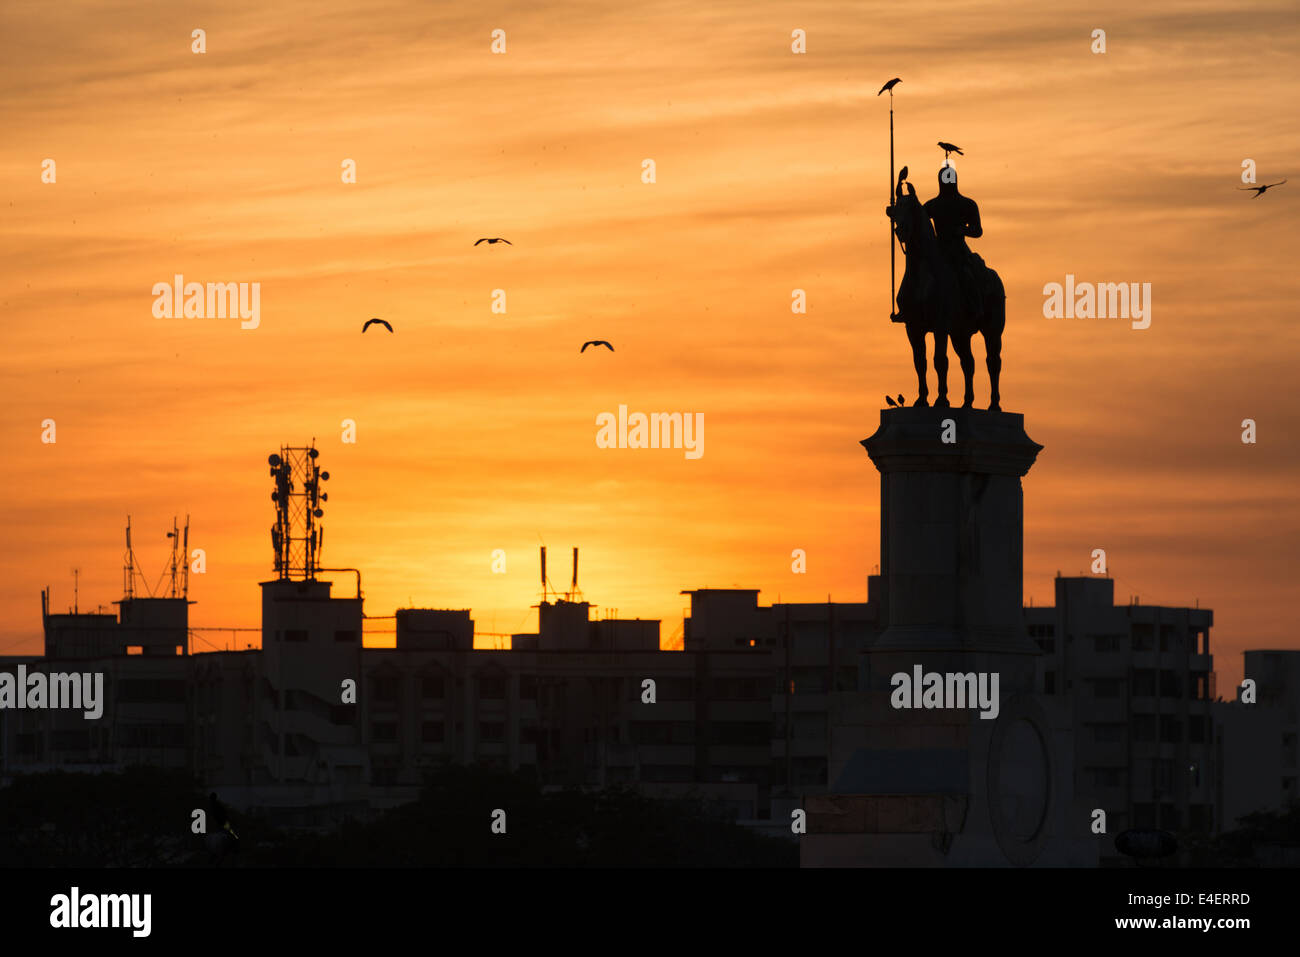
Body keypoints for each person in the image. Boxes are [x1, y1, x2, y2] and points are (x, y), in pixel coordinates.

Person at [924, 165, 987, 320]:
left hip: (959, 250)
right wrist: (896, 213)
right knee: (920, 276)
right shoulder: (932, 205)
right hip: (938, 250)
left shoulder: (967, 204)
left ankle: (976, 307)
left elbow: (978, 231)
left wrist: (962, 230)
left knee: (966, 276)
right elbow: (917, 218)